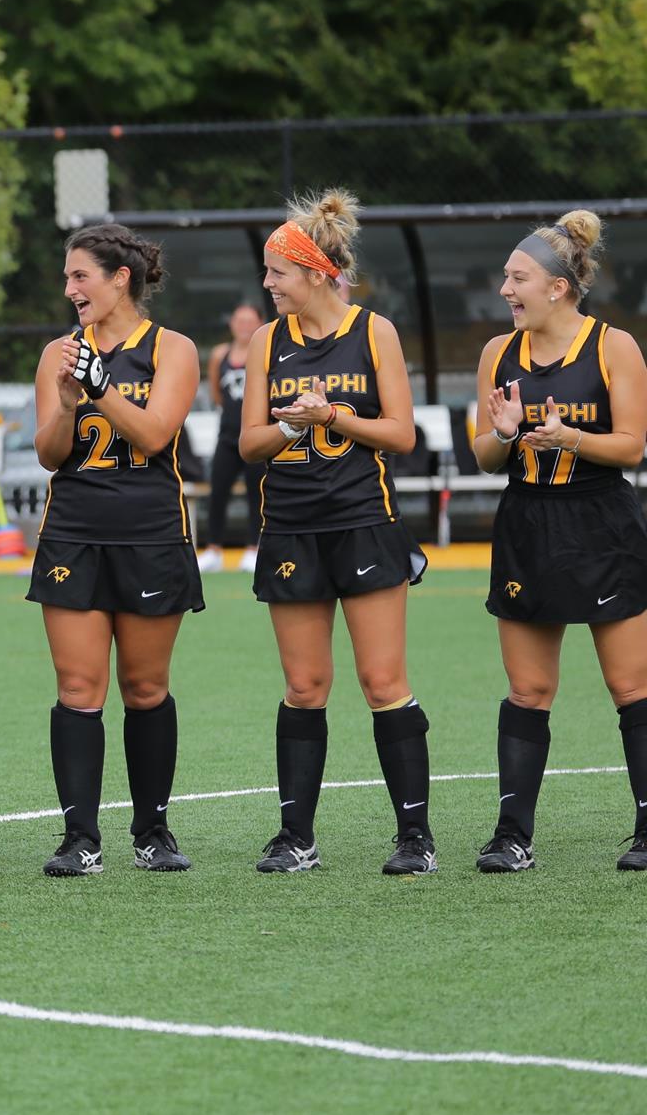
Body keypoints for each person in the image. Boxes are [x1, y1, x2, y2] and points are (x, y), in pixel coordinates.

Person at [239, 189, 436, 876]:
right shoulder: (267, 341)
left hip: (362, 520)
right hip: (291, 525)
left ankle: (415, 837)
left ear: (316, 272)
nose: (268, 284)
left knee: (383, 680)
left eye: (277, 272)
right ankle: (296, 836)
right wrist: (294, 423)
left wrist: (333, 417)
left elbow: (401, 434)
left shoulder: (373, 330)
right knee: (304, 684)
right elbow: (250, 443)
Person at [469, 210, 647, 873]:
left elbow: (631, 445)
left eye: (518, 278)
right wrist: (510, 432)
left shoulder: (613, 346)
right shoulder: (498, 353)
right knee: (528, 689)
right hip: (528, 523)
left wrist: (569, 436)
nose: (505, 290)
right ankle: (512, 834)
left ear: (558, 288)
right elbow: (484, 454)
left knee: (631, 684)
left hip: (600, 520)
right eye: (506, 278)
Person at [27, 224, 202, 877]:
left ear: (119, 278)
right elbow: (50, 453)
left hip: (152, 533)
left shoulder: (172, 348)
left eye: (81, 276)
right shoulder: (58, 355)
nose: (70, 289)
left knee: (145, 685)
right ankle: (80, 837)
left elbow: (156, 434)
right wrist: (71, 403)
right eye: (68, 277)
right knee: (77, 686)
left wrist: (102, 386)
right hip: (74, 531)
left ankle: (152, 830)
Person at [197, 303, 266, 572]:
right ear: (232, 324)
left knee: (256, 492)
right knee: (218, 491)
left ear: (260, 323)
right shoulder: (220, 354)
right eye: (239, 320)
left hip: (256, 433)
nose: (244, 326)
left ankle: (254, 547)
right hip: (227, 435)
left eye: (250, 321)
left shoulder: (264, 352)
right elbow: (217, 392)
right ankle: (213, 548)